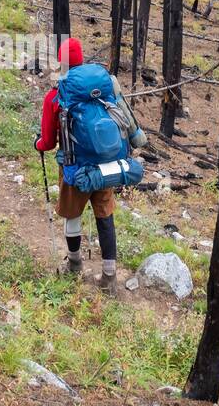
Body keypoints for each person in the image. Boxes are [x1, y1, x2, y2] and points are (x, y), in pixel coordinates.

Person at [34, 37, 146, 294]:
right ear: (81, 59)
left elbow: (48, 142)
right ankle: (109, 276)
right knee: (105, 216)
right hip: (107, 165)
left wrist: (38, 144)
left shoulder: (56, 96)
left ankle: (74, 265)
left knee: (72, 215)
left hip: (76, 169)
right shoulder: (103, 89)